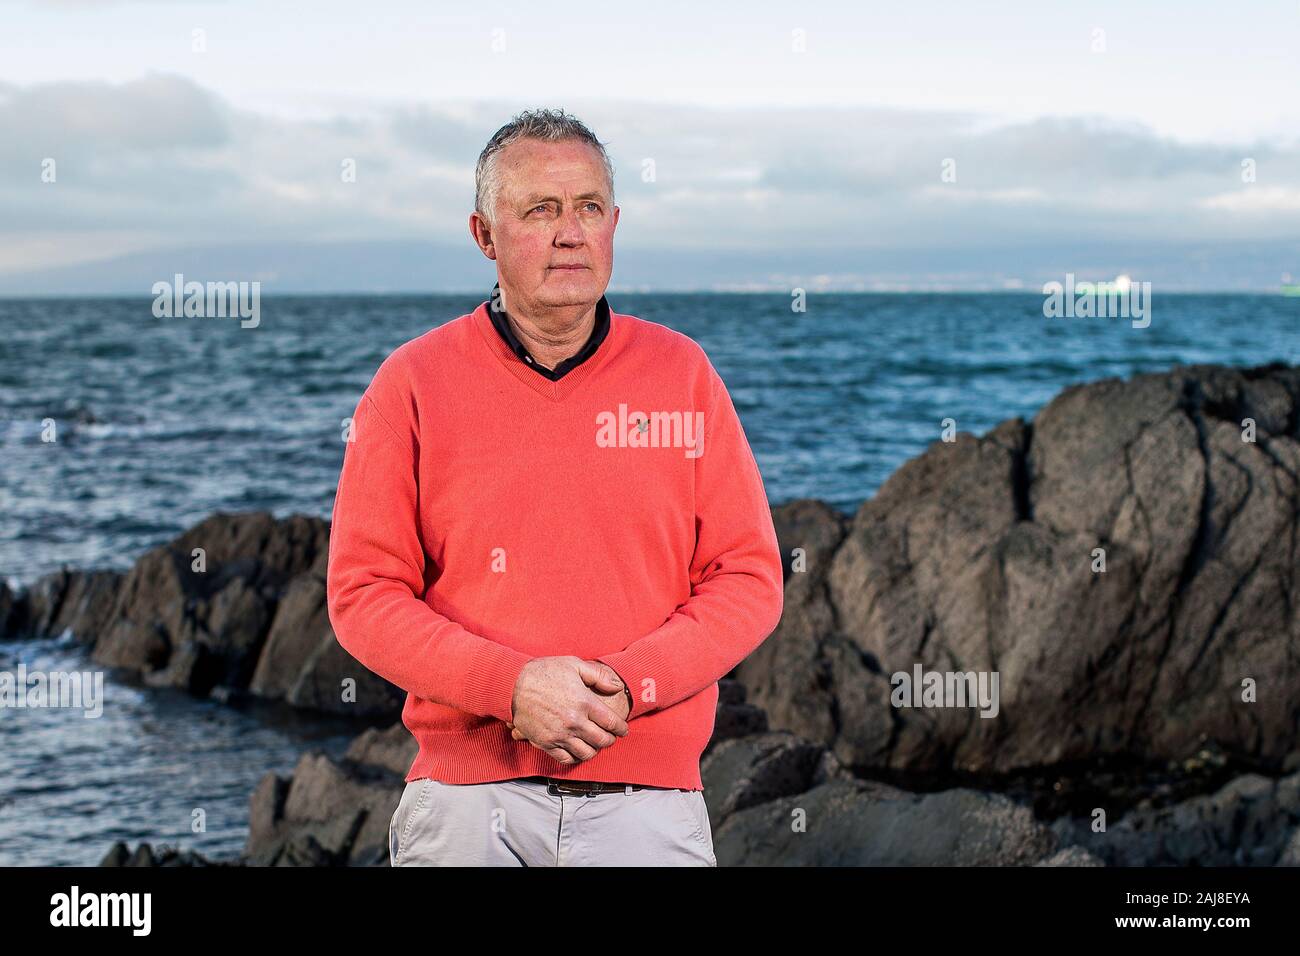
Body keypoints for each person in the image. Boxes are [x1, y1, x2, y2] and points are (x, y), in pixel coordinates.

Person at [325, 107, 783, 866]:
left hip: (649, 806)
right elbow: (363, 594)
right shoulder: (411, 383)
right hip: (468, 807)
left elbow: (750, 577)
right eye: (540, 209)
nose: (571, 232)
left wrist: (628, 685)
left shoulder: (684, 375)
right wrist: (511, 688)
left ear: (614, 224)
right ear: (485, 235)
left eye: (589, 209)